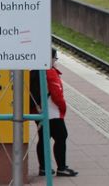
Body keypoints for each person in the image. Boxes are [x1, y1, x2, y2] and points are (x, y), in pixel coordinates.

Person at [31, 49, 78, 177]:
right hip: (52, 111)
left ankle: (44, 168)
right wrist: (63, 108)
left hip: (38, 110)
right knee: (61, 136)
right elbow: (57, 95)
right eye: (55, 59)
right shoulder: (50, 72)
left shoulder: (36, 70)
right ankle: (61, 168)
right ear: (49, 59)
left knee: (44, 138)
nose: (55, 62)